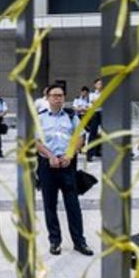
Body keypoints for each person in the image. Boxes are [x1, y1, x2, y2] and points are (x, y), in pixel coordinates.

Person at [36, 84, 93, 257]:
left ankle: (79, 242)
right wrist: (50, 156)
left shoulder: (71, 116)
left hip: (68, 165)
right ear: (47, 97)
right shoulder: (40, 118)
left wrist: (69, 155)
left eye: (60, 95)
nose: (58, 98)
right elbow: (35, 141)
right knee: (49, 204)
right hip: (48, 165)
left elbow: (81, 137)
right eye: (54, 95)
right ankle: (55, 241)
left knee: (73, 204)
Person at [86, 77, 103, 161]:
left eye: (102, 83)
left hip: (104, 113)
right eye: (99, 83)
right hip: (95, 113)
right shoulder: (91, 94)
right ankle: (90, 154)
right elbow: (94, 102)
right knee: (93, 133)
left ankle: (99, 151)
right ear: (95, 85)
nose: (100, 85)